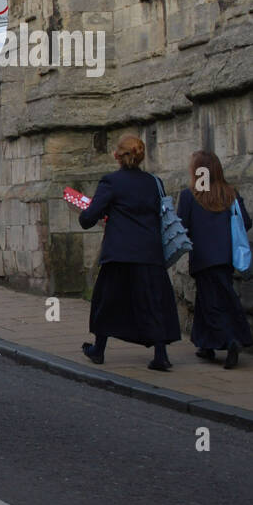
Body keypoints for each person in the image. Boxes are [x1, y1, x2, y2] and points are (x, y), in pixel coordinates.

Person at [78, 134, 181, 371]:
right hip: (150, 252)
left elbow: (90, 216)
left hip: (120, 252)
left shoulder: (111, 182)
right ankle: (161, 354)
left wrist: (86, 216)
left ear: (117, 156)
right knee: (153, 302)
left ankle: (98, 350)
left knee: (108, 302)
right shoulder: (154, 182)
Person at [177, 150, 252, 368]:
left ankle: (231, 341)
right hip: (225, 258)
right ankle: (205, 345)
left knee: (213, 305)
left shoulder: (190, 196)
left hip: (203, 258)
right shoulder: (230, 194)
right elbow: (245, 222)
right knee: (211, 299)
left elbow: (183, 228)